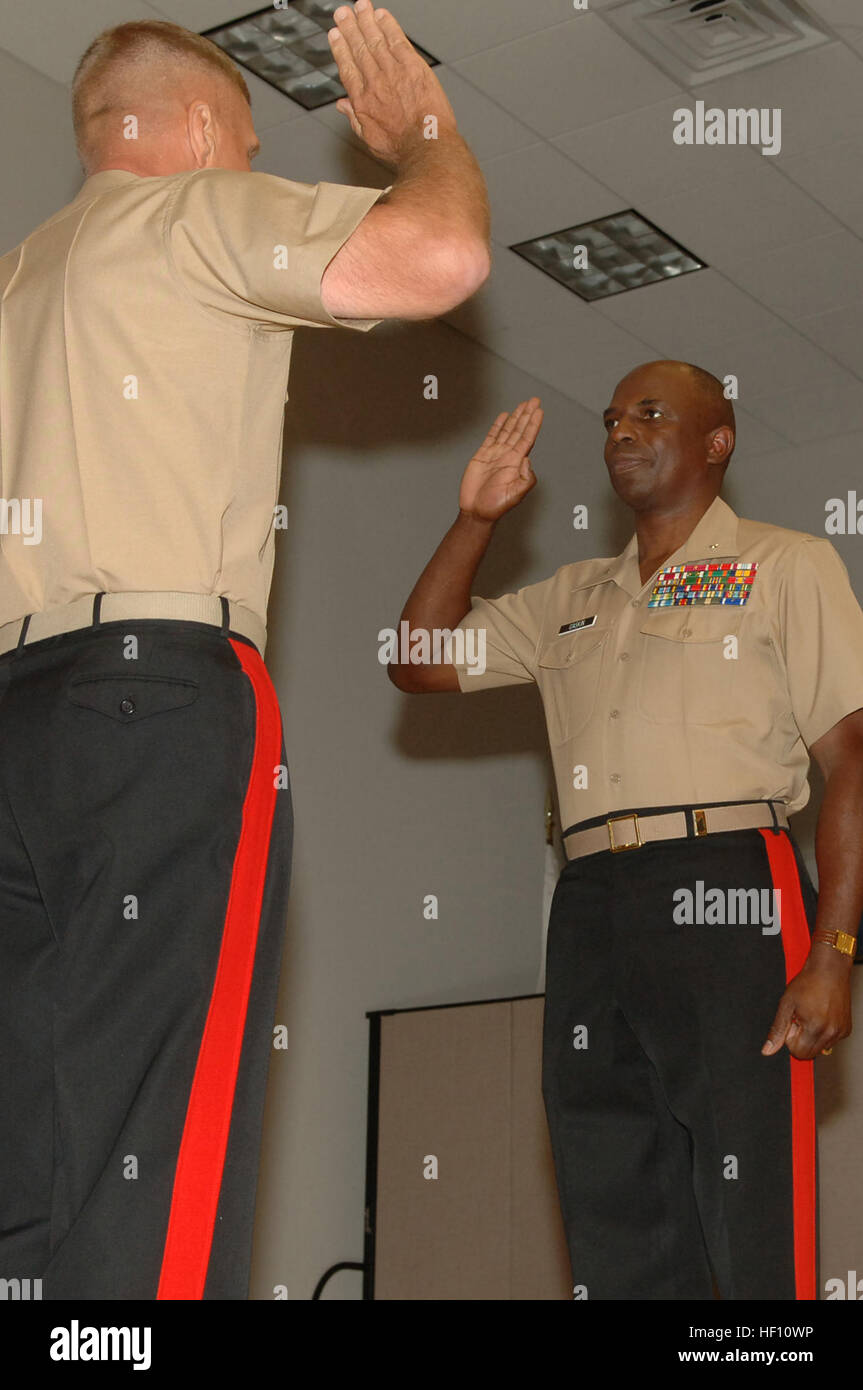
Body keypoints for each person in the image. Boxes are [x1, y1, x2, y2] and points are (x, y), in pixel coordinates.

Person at [0, 2, 490, 1300]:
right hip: (146, 698)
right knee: (154, 1127)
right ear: (210, 132)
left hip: (9, 724)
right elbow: (436, 256)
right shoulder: (189, 214)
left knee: (25, 1140)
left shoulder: (17, 278)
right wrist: (423, 131)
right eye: (252, 135)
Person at [388, 360, 863, 1300]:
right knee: (608, 1177)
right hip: (592, 898)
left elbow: (851, 759)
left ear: (716, 441)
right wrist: (476, 520)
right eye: (609, 419)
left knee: (747, 1187)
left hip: (731, 880)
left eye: (649, 414)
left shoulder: (785, 563)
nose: (619, 433)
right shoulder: (569, 596)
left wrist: (833, 950)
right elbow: (414, 661)